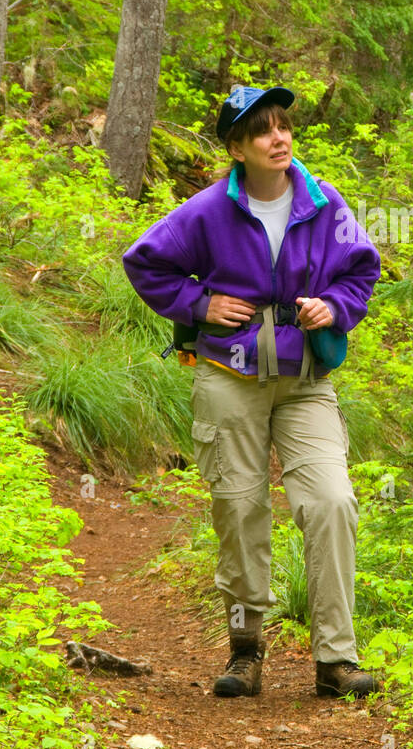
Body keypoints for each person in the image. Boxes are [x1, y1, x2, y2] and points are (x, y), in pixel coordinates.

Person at [121, 83, 382, 699]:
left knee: (332, 503)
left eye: (284, 126)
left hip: (305, 383)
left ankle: (335, 659)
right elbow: (144, 262)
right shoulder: (208, 210)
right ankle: (246, 652)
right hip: (229, 378)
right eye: (263, 130)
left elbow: (362, 269)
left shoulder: (322, 203)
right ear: (237, 147)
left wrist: (334, 306)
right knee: (240, 509)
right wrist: (201, 303)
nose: (280, 138)